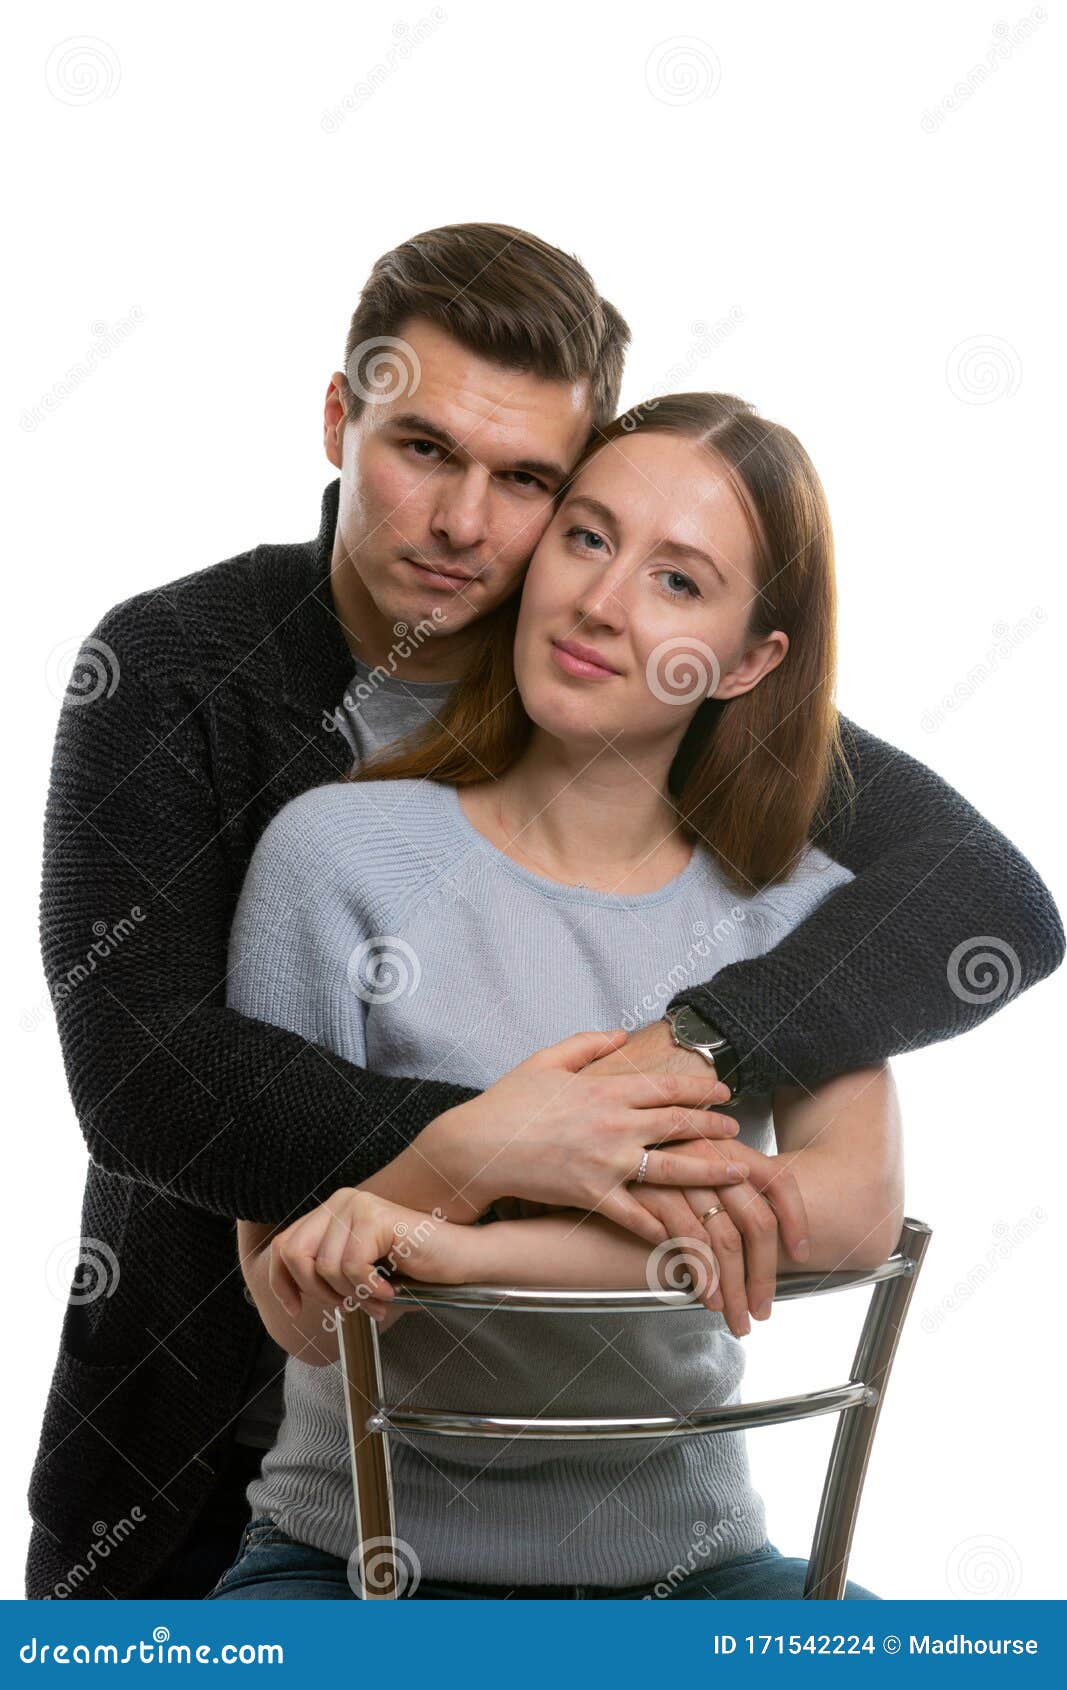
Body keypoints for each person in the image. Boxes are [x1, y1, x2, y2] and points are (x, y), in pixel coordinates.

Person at [28, 225, 1062, 1601]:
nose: (464, 525)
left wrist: (683, 1051)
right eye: (421, 450)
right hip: (207, 1443)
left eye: (528, 482)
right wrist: (494, 1140)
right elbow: (146, 1075)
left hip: (625, 1491)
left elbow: (983, 899)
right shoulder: (176, 671)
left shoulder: (658, 703)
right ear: (338, 420)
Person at [208, 391, 917, 1597]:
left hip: (699, 1572)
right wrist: (650, 1200)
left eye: (678, 581)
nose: (598, 600)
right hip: (350, 1566)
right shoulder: (333, 858)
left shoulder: (795, 912)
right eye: (586, 537)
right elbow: (294, 1296)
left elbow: (851, 1214)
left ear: (750, 659)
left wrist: (437, 1242)